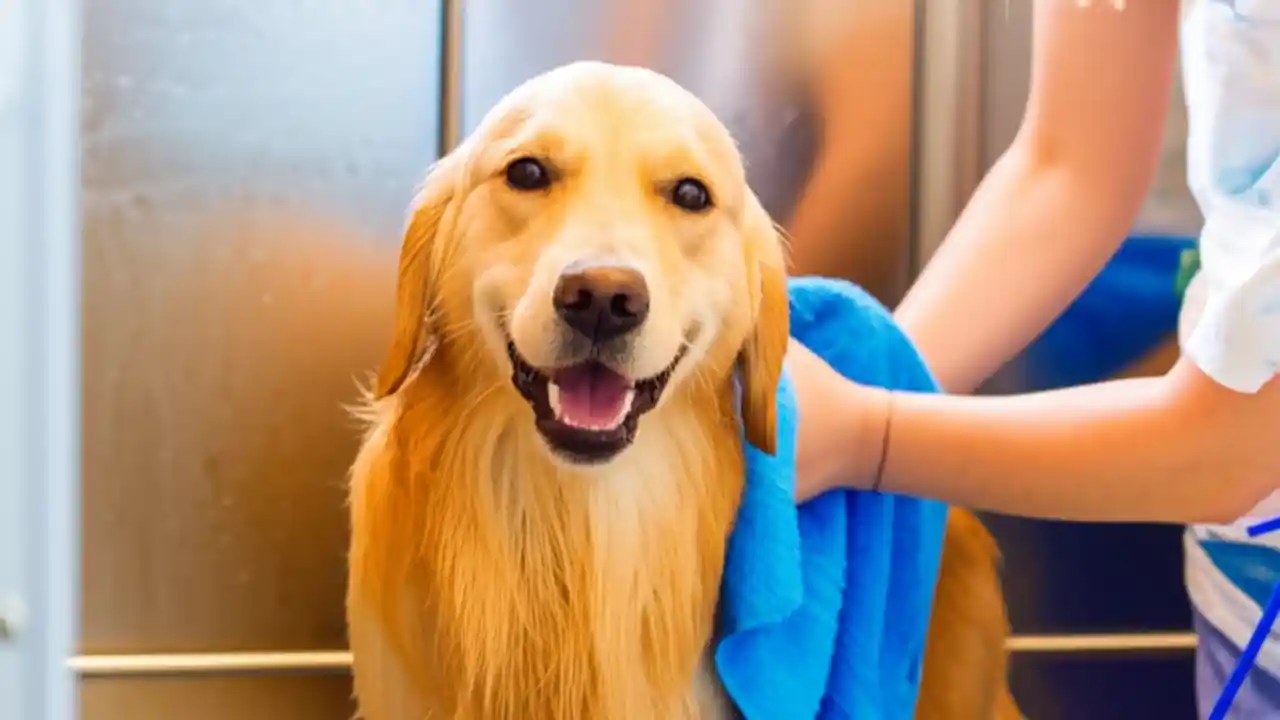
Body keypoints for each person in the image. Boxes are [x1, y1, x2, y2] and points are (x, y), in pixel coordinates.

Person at [786, 0, 1280, 715]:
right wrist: (857, 386)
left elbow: (1243, 442)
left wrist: (869, 435)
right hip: (1239, 594)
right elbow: (1069, 166)